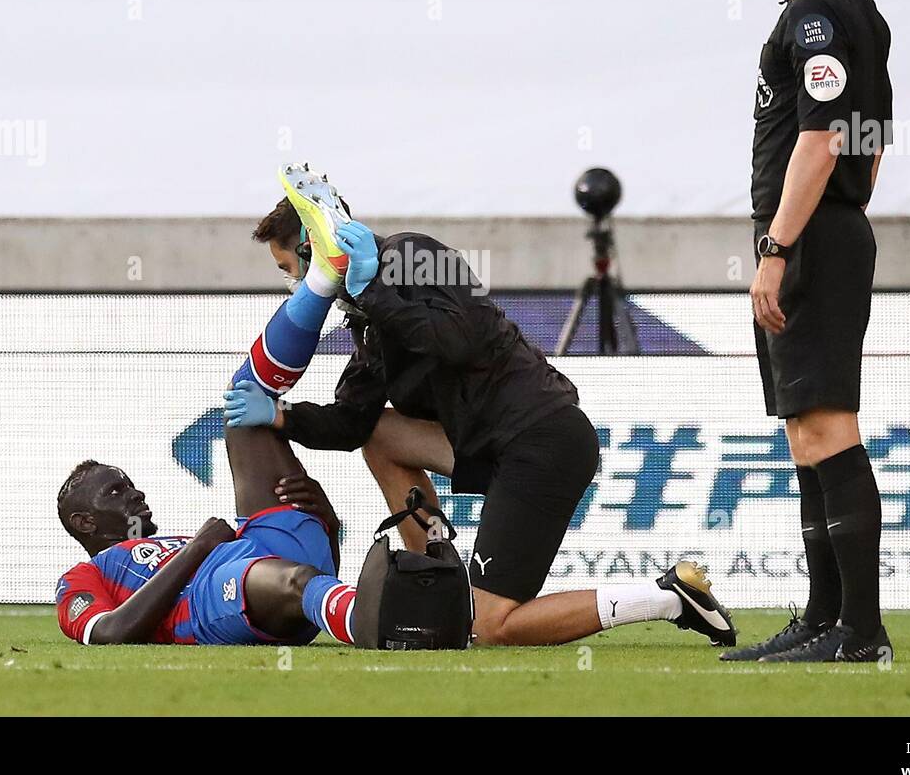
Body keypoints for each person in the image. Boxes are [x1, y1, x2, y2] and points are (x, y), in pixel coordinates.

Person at [221, 163, 737, 648]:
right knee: (380, 433)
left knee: (492, 625)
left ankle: (669, 597)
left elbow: (458, 341)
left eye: (290, 268)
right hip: (494, 445)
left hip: (543, 441)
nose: (294, 285)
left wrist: (372, 289)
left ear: (313, 249)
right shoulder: (368, 312)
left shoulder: (410, 255)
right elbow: (354, 422)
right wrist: (283, 417)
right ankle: (435, 583)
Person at [729, 0, 894, 663]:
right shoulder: (855, 3)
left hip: (809, 238)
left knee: (828, 425)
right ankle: (825, 618)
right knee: (807, 431)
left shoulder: (816, 11)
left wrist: (778, 247)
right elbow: (872, 138)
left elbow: (825, 136)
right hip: (830, 228)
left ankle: (859, 632)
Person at [54, 435, 357, 646]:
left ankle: (370, 608)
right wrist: (197, 548)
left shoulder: (181, 544)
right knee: (296, 581)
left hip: (260, 565)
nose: (136, 494)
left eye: (130, 486)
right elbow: (110, 632)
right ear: (84, 522)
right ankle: (376, 618)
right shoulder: (83, 576)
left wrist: (325, 524)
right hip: (206, 598)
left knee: (245, 416)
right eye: (115, 492)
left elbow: (318, 576)